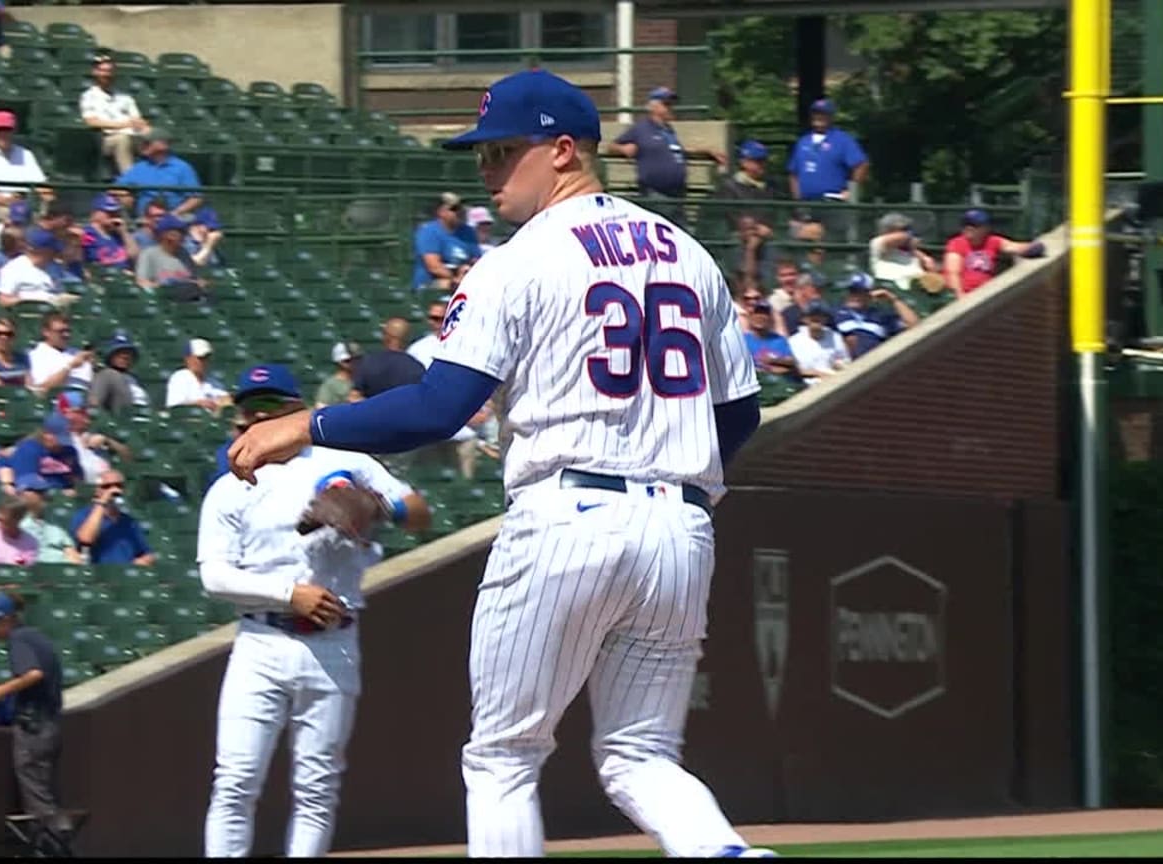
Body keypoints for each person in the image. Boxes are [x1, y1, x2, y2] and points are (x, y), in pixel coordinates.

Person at [226, 69, 770, 858]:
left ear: (563, 150)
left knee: (504, 757)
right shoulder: (689, 254)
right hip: (680, 528)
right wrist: (672, 481)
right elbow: (741, 412)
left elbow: (436, 408)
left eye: (503, 151)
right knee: (642, 755)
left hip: (567, 514)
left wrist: (306, 425)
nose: (487, 170)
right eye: (481, 154)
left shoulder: (518, 260)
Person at [199, 363, 430, 856]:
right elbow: (214, 576)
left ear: (295, 410)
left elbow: (418, 513)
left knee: (317, 790)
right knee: (236, 781)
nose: (257, 417)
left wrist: (378, 506)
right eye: (248, 408)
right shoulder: (231, 485)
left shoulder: (343, 459)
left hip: (334, 641)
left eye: (269, 405)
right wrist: (289, 593)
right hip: (261, 640)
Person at [0, 592, 74, 847]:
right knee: (46, 791)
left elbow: (34, 674)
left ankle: (53, 844)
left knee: (38, 799)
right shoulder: (36, 636)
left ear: (6, 619)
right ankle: (59, 839)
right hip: (49, 723)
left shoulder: (19, 639)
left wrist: (0, 691)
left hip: (34, 728)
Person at [607, 86, 725, 204]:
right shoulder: (641, 129)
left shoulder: (669, 130)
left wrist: (706, 151)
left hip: (677, 193)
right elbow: (611, 147)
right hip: (655, 193)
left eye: (671, 104)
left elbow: (676, 150)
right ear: (652, 106)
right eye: (666, 104)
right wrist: (622, 149)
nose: (670, 108)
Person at [942, 208, 1046, 297]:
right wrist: (960, 295)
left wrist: (1032, 248)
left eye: (978, 226)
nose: (969, 229)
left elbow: (1013, 247)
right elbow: (953, 273)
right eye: (967, 226)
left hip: (985, 291)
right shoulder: (956, 243)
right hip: (963, 293)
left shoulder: (992, 241)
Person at [787, 98, 868, 203]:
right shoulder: (803, 141)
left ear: (830, 116)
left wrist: (851, 192)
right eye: (816, 113)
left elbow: (861, 165)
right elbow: (793, 173)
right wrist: (797, 200)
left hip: (833, 202)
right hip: (806, 203)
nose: (818, 116)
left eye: (823, 113)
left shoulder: (842, 140)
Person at [80, 57, 149, 175]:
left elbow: (137, 119)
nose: (107, 74)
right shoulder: (88, 96)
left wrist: (146, 129)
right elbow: (91, 122)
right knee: (122, 140)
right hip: (105, 139)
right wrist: (122, 125)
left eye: (109, 71)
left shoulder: (125, 97)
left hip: (132, 134)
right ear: (95, 72)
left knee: (156, 137)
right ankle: (130, 180)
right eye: (103, 71)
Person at [71, 469, 154, 565]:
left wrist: (143, 561)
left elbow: (146, 553)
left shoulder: (129, 521)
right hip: (100, 571)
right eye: (107, 486)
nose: (114, 490)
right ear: (97, 490)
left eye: (119, 486)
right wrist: (102, 502)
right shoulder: (84, 515)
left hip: (125, 571)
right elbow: (85, 539)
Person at [410, 192, 481, 292]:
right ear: (441, 212)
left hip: (462, 281)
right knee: (453, 285)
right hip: (430, 285)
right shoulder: (429, 231)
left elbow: (476, 260)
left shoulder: (468, 232)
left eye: (461, 208)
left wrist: (467, 271)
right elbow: (434, 267)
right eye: (454, 209)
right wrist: (456, 278)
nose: (459, 212)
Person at [0, 413, 83, 495]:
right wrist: (59, 493)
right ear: (46, 434)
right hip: (41, 495)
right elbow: (27, 486)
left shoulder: (69, 451)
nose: (61, 444)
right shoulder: (29, 449)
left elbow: (77, 480)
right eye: (58, 438)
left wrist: (75, 490)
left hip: (63, 495)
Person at [15, 475, 82, 563]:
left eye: (46, 492)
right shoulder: (15, 523)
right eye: (40, 492)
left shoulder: (55, 520)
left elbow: (71, 551)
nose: (45, 496)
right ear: (22, 494)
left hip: (61, 568)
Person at [27, 312, 96, 394]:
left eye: (68, 331)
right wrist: (70, 367)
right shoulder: (35, 356)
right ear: (46, 332)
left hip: (86, 396)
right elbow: (41, 388)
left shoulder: (78, 354)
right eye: (61, 331)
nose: (66, 335)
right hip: (58, 398)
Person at [86, 331, 150, 413]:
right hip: (123, 415)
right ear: (110, 355)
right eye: (119, 352)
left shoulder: (135, 379)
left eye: (128, 352)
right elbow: (94, 403)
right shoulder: (104, 375)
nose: (125, 356)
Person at [164, 338, 229, 410]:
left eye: (206, 358)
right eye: (200, 358)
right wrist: (198, 404)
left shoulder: (215, 383)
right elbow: (174, 407)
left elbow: (226, 402)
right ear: (188, 359)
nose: (204, 361)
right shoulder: (179, 378)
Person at [0, 315, 32, 387]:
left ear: (15, 337)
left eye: (9, 334)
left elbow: (29, 384)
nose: (3, 337)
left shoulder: (22, 359)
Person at [313, 342, 358, 408]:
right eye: (348, 360)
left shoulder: (365, 379)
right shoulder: (330, 384)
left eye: (356, 359)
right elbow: (321, 408)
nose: (354, 362)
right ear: (339, 362)